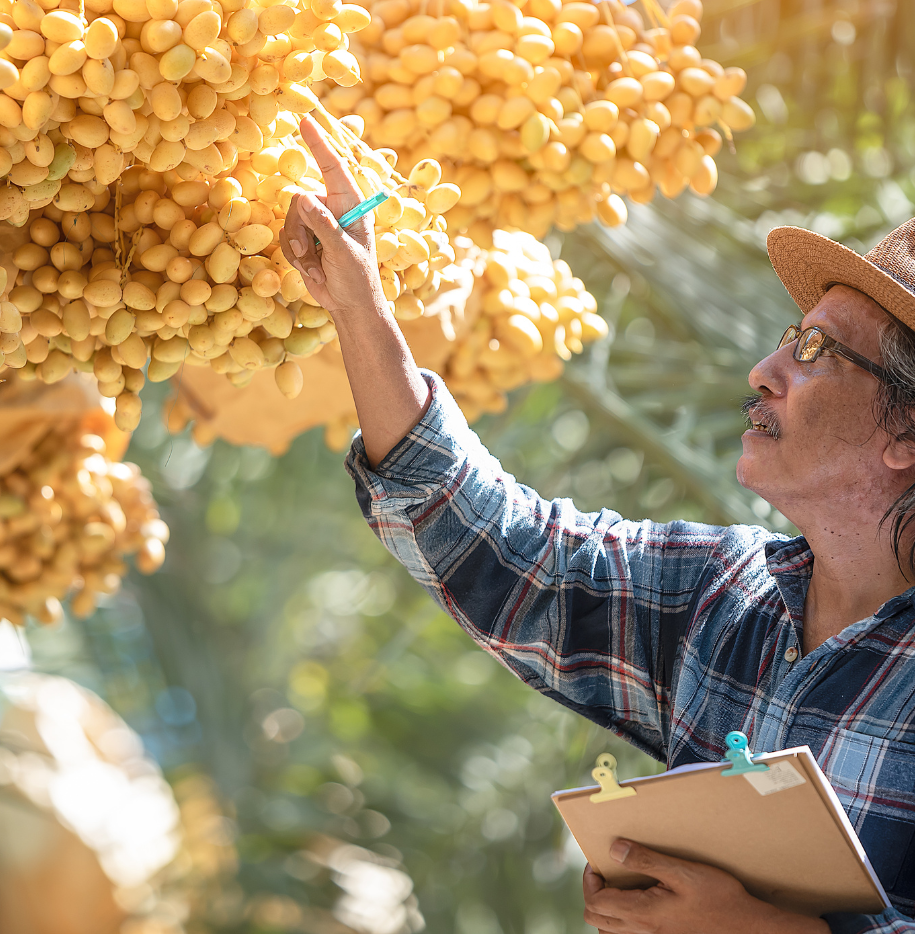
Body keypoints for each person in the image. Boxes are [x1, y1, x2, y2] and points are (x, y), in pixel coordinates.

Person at [282, 118, 915, 934]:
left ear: (905, 435)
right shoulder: (726, 595)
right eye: (791, 338)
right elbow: (510, 554)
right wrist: (359, 306)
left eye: (819, 350)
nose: (766, 370)